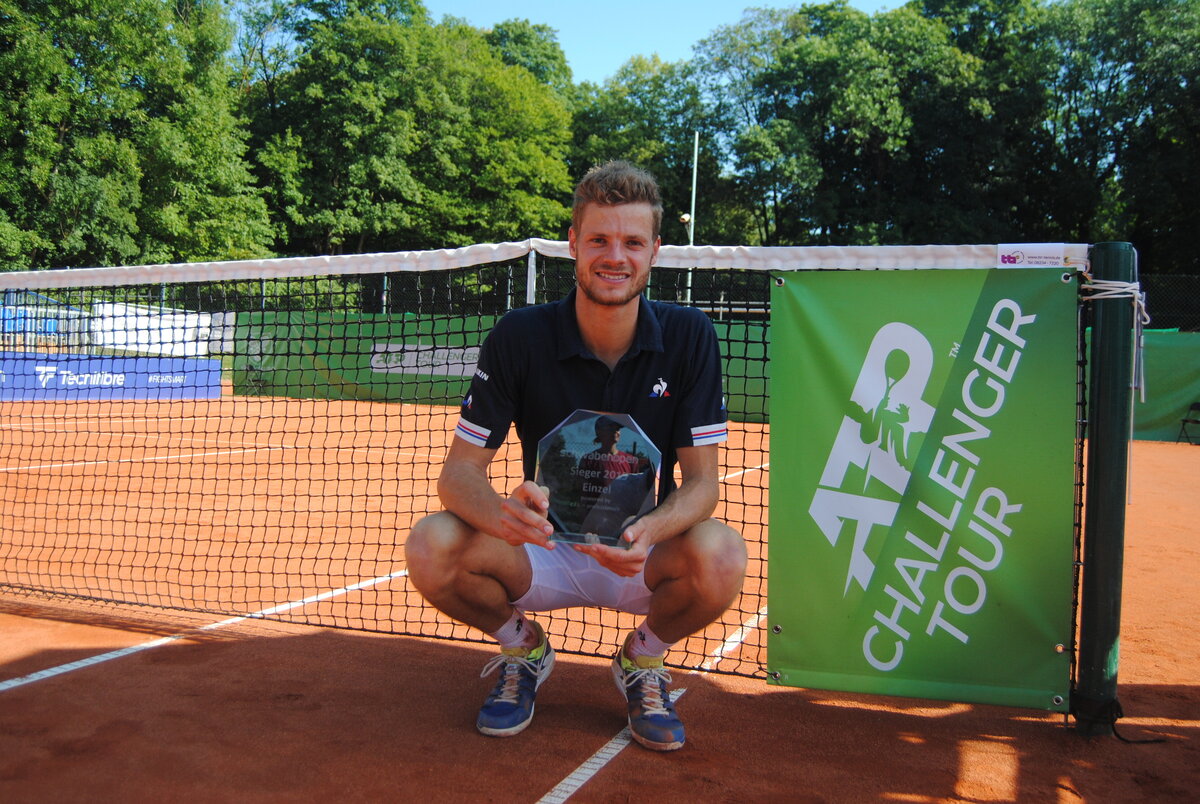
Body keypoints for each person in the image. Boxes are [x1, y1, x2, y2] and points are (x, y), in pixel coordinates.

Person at [406, 160, 747, 752]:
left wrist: (650, 529)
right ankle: (523, 648)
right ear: (573, 244)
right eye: (599, 240)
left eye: (632, 242)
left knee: (722, 555)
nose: (615, 256)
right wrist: (503, 516)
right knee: (431, 544)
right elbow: (458, 475)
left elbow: (703, 486)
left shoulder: (691, 336)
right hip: (540, 550)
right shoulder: (519, 335)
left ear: (655, 251)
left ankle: (642, 661)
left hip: (638, 554)